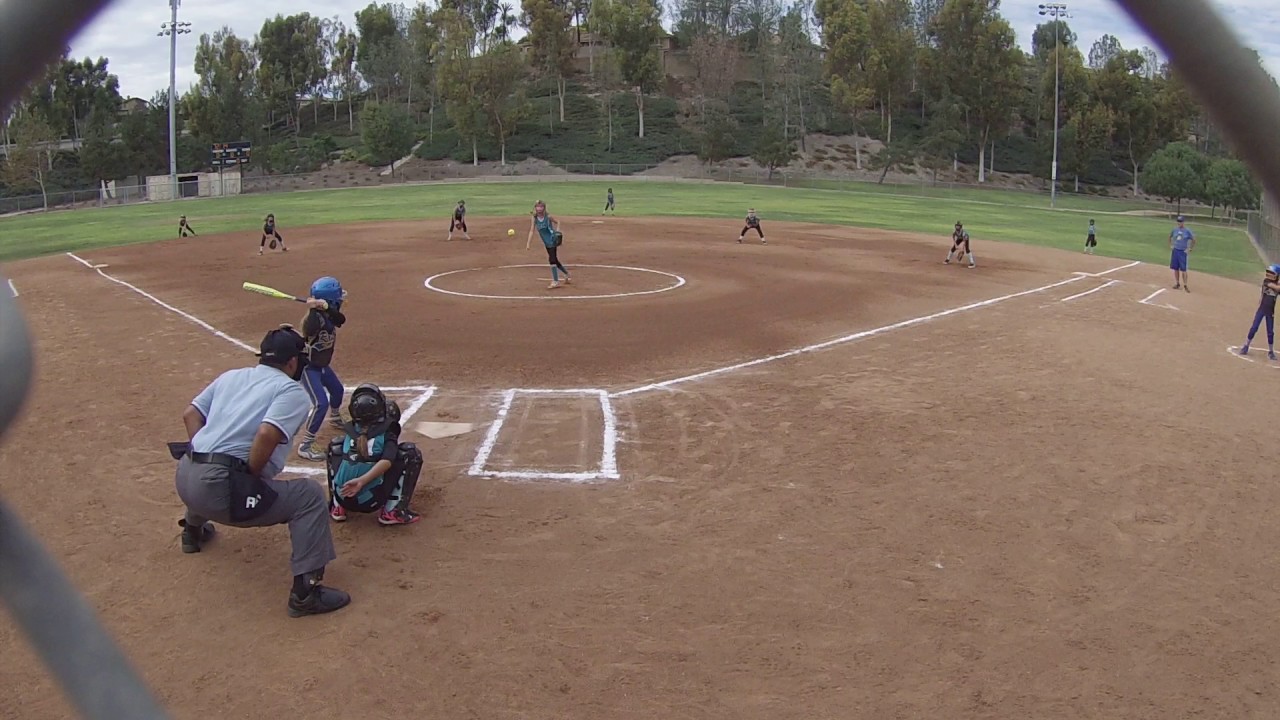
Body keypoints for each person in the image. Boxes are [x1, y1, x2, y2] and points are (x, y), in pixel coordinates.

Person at [171, 324, 351, 618]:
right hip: (219, 489)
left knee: (212, 466)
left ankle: (192, 533)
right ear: (292, 363)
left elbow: (190, 415)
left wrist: (211, 458)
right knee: (308, 495)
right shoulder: (292, 391)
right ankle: (306, 593)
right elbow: (267, 434)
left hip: (185, 476)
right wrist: (248, 476)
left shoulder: (231, 376)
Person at [325, 383, 424, 526]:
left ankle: (336, 506)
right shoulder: (387, 432)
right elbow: (387, 461)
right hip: (370, 500)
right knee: (409, 453)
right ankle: (393, 511)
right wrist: (362, 481)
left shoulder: (351, 429)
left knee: (336, 446)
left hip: (344, 495)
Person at [296, 276, 348, 461]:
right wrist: (312, 310)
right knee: (320, 403)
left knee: (337, 390)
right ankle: (305, 445)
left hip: (322, 365)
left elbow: (341, 319)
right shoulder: (315, 319)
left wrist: (325, 308)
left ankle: (335, 418)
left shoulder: (329, 315)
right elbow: (308, 328)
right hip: (309, 368)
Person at [526, 200, 572, 289]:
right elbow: (532, 230)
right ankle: (567, 274)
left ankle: (556, 281)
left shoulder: (548, 217)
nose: (539, 209)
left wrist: (557, 231)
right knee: (555, 259)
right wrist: (528, 243)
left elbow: (557, 222)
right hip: (546, 242)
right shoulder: (534, 218)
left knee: (552, 259)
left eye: (541, 207)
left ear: (544, 208)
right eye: (537, 207)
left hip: (552, 240)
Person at [1239, 264, 1280, 360]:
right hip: (1261, 310)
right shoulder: (1266, 282)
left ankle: (1270, 351)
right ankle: (1246, 346)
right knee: (1254, 328)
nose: (1269, 274)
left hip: (1270, 312)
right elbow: (1276, 288)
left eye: (1272, 273)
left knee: (1270, 332)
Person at [1169, 215, 1195, 292]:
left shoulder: (1187, 231)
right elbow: (1169, 237)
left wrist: (1189, 248)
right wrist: (1171, 246)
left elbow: (1193, 240)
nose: (1179, 223)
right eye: (1178, 221)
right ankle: (1177, 283)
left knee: (1184, 269)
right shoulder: (1175, 230)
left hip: (1182, 252)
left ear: (1183, 222)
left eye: (1180, 221)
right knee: (1176, 268)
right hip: (1175, 250)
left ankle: (1185, 285)